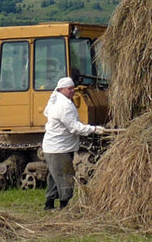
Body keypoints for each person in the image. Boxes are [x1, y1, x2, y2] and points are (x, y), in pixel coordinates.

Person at [41, 76, 109, 209]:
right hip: (59, 148)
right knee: (65, 175)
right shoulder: (63, 105)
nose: (73, 91)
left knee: (55, 176)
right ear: (61, 89)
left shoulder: (57, 100)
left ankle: (49, 204)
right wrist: (94, 129)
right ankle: (64, 206)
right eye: (69, 89)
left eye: (73, 88)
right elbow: (74, 127)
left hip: (55, 147)